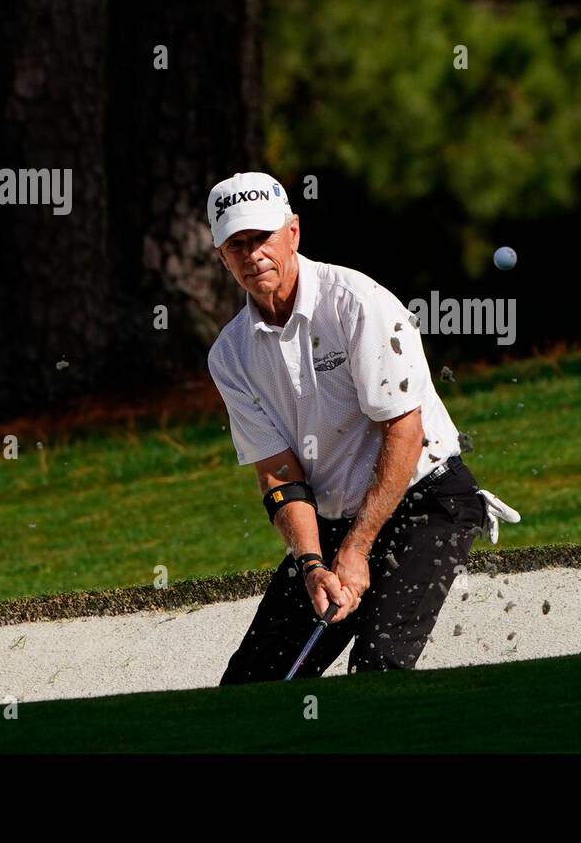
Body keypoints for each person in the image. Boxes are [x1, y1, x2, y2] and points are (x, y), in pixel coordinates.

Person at [206, 171, 520, 682]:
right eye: (236, 244)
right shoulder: (230, 354)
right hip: (332, 521)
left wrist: (356, 549)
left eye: (261, 238)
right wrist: (313, 565)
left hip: (427, 503)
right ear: (221, 256)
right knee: (252, 684)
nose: (252, 255)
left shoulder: (355, 302)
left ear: (293, 233)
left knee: (377, 668)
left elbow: (404, 432)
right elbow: (279, 472)